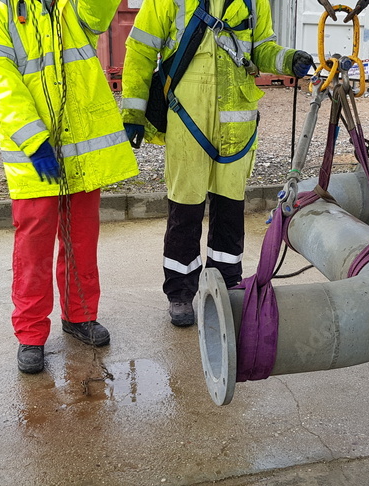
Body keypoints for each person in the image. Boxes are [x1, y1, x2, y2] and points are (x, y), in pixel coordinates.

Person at [0, 0, 139, 373]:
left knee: (81, 240)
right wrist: (33, 139)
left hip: (80, 151)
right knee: (34, 249)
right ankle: (31, 335)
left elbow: (99, 12)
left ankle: (79, 317)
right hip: (34, 158)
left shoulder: (70, 6)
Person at [120, 0, 315, 327]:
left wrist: (288, 59)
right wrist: (133, 112)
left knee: (230, 209)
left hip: (237, 127)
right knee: (185, 208)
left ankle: (227, 281)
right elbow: (140, 49)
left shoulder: (254, 2)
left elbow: (262, 48)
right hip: (188, 121)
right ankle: (181, 291)